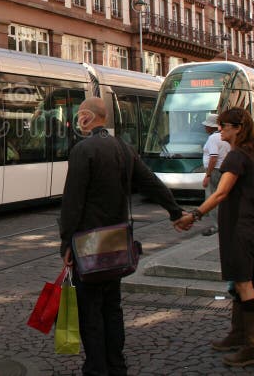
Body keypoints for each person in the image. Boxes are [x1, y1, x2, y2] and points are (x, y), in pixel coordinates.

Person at [60, 97, 184, 375]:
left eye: (80, 115)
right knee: (112, 306)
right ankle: (117, 364)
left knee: (90, 310)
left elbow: (73, 201)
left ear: (86, 117)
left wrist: (66, 242)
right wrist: (174, 211)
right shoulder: (124, 148)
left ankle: (96, 367)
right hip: (116, 241)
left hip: (88, 243)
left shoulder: (83, 150)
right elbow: (150, 181)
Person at [175, 108, 254, 368]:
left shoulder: (237, 156)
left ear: (238, 128)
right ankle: (239, 334)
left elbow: (220, 193)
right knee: (241, 283)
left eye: (225, 126)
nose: (220, 130)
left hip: (240, 229)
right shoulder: (252, 153)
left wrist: (193, 215)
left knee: (244, 284)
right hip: (249, 226)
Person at [201, 113, 230, 236]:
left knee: (212, 197)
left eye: (206, 126)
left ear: (211, 127)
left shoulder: (213, 138)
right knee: (223, 196)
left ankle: (218, 224)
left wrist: (207, 175)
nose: (204, 128)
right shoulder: (224, 136)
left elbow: (213, 157)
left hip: (215, 170)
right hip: (224, 169)